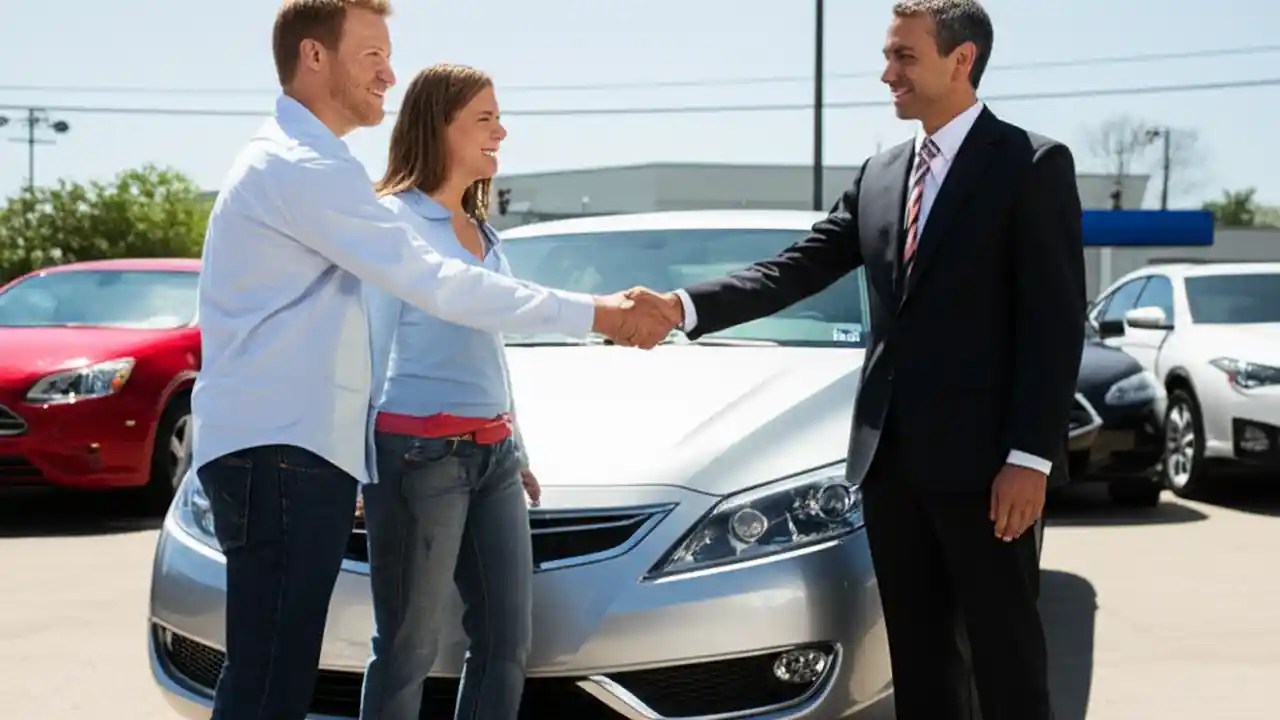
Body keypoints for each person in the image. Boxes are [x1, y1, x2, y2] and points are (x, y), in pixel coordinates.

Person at [191, 3, 670, 719]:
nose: (389, 73)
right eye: (372, 54)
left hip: (291, 451)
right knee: (269, 681)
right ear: (315, 57)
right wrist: (599, 313)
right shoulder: (302, 167)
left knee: (275, 675)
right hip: (282, 454)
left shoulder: (306, 162)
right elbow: (436, 284)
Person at [629, 1, 1084, 718]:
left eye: (904, 56)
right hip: (890, 466)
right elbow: (795, 269)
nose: (886, 74)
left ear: (960, 60)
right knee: (921, 660)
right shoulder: (880, 174)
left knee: (1005, 658)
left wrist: (1030, 457)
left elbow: (1054, 324)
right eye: (888, 55)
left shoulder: (1030, 163)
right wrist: (681, 308)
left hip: (989, 471)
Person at [357, 63, 539, 720]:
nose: (502, 131)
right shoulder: (391, 221)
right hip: (416, 455)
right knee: (408, 647)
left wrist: (517, 444)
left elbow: (489, 347)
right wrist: (355, 465)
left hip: (493, 455)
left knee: (507, 642)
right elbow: (367, 347)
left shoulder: (482, 229)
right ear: (441, 127)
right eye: (485, 119)